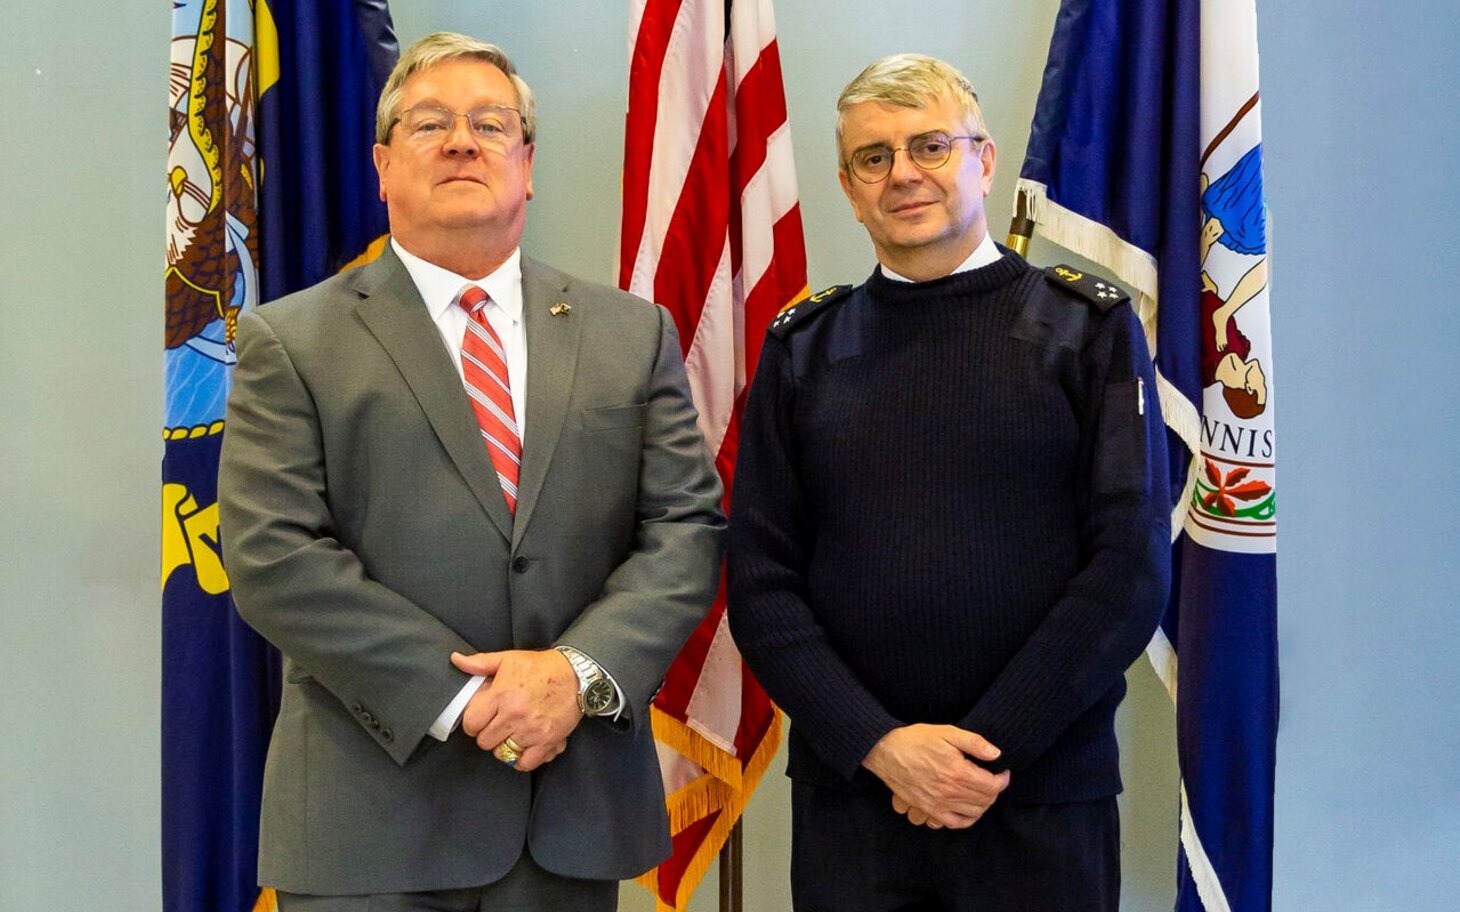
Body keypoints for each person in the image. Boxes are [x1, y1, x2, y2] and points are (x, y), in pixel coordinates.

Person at [218, 32, 724, 912]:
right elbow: (275, 559)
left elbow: (684, 531)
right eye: (430, 124)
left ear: (527, 166)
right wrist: (468, 697)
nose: (462, 141)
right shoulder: (289, 342)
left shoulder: (629, 334)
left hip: (568, 817)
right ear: (381, 166)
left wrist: (573, 674)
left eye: (491, 124)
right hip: (371, 823)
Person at [727, 53, 1171, 912]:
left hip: (1039, 797)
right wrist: (884, 746)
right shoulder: (802, 347)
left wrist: (984, 752)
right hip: (855, 801)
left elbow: (1129, 569)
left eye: (930, 146)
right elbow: (760, 579)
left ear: (984, 160)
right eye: (874, 157)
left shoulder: (1088, 330)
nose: (903, 175)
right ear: (850, 187)